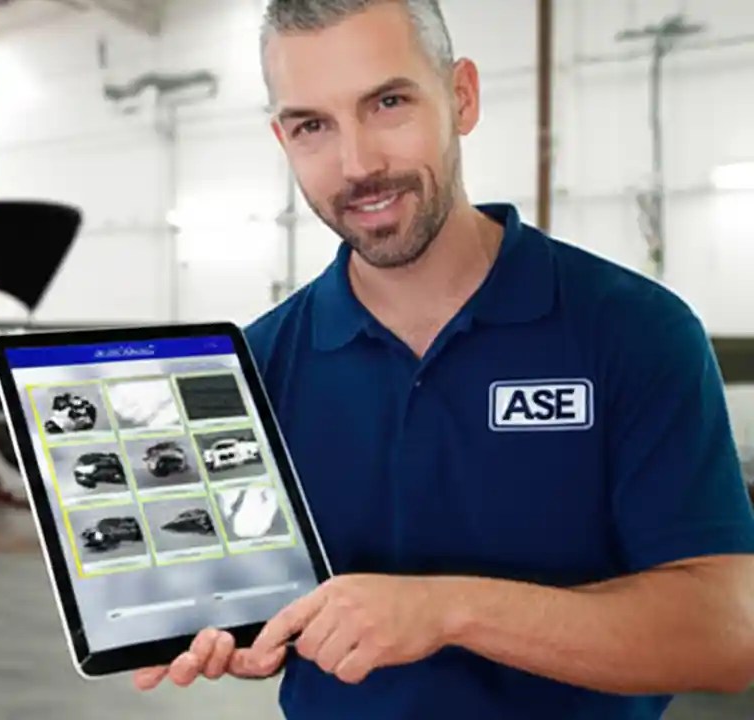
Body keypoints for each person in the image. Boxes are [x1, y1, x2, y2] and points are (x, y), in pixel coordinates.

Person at [131, 0, 754, 717]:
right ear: (282, 138)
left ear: (462, 96)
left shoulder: (633, 331)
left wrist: (448, 610)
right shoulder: (256, 367)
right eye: (313, 126)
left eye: (388, 102)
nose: (357, 163)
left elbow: (727, 634)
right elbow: (268, 606)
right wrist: (241, 631)